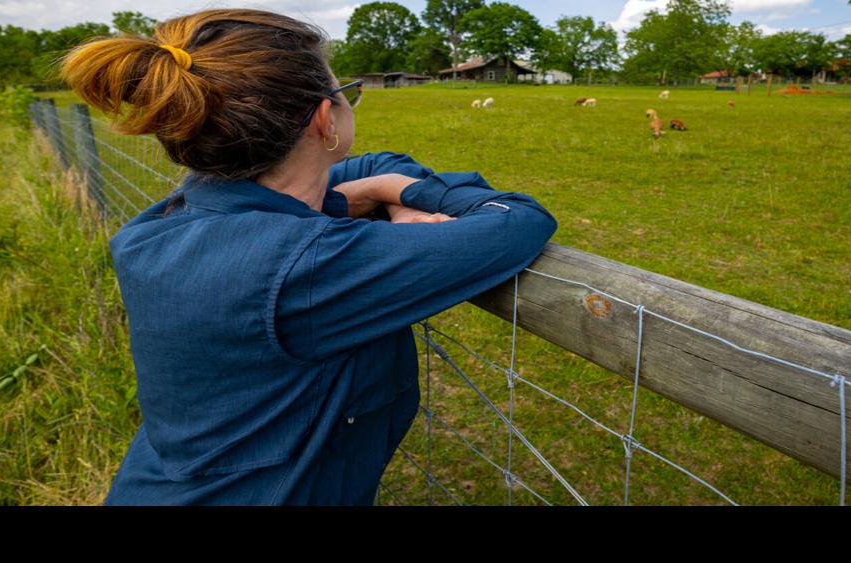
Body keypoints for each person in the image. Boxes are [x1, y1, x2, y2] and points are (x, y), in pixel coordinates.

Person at [60, 8, 558, 504]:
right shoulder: (308, 262)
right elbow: (518, 220)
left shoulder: (153, 230)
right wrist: (395, 190)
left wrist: (366, 188)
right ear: (326, 120)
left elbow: (375, 165)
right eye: (347, 93)